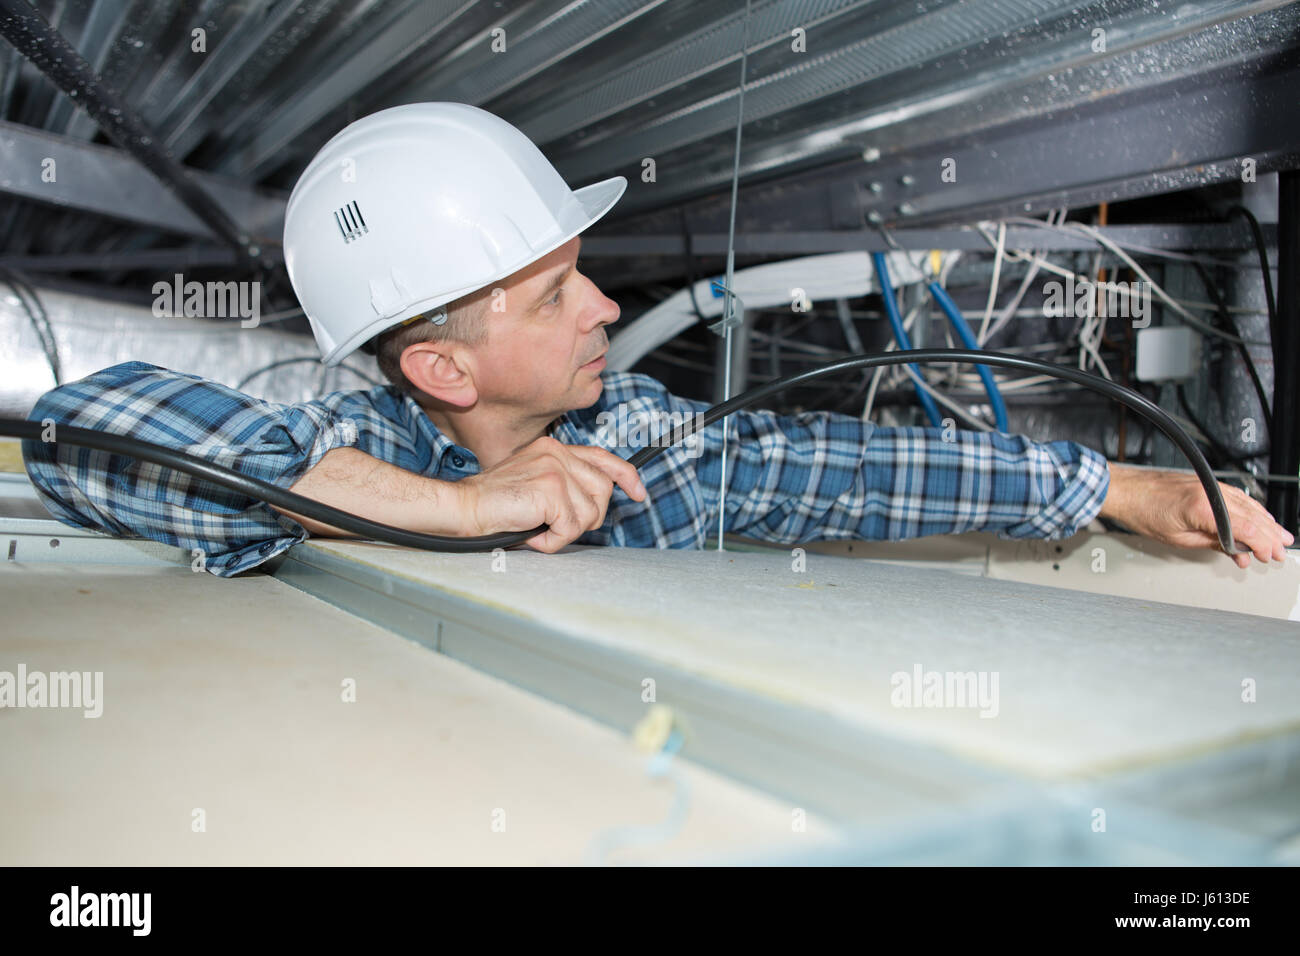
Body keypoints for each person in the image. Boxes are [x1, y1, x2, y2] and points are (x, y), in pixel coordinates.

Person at [20, 103, 1293, 576]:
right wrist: (454, 511)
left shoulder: (639, 446)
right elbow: (87, 427)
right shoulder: (343, 430)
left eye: (583, 276)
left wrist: (1113, 482)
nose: (606, 308)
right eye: (554, 291)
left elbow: (848, 464)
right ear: (440, 370)